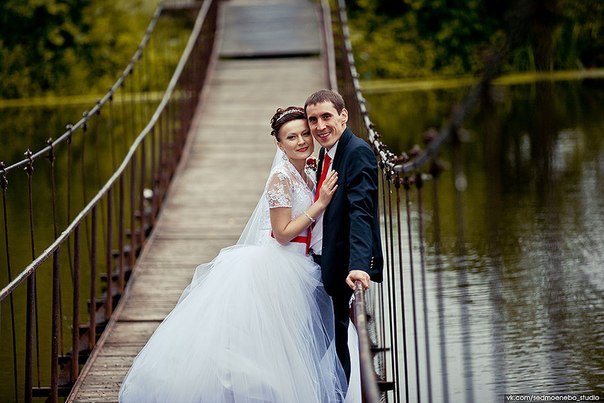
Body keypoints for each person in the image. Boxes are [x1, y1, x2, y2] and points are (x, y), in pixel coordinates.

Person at [118, 106, 360, 402]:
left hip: (303, 262)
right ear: (279, 144)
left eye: (305, 134)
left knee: (293, 343)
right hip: (280, 265)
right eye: (291, 137)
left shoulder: (309, 171)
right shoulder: (281, 178)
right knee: (272, 344)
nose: (301, 141)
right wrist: (319, 204)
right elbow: (282, 232)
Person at [304, 89, 384, 380]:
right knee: (324, 343)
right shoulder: (326, 151)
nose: (320, 126)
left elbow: (361, 212)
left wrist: (359, 266)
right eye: (313, 120)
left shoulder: (357, 152)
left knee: (340, 347)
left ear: (344, 116)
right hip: (321, 261)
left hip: (341, 267)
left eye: (326, 117)